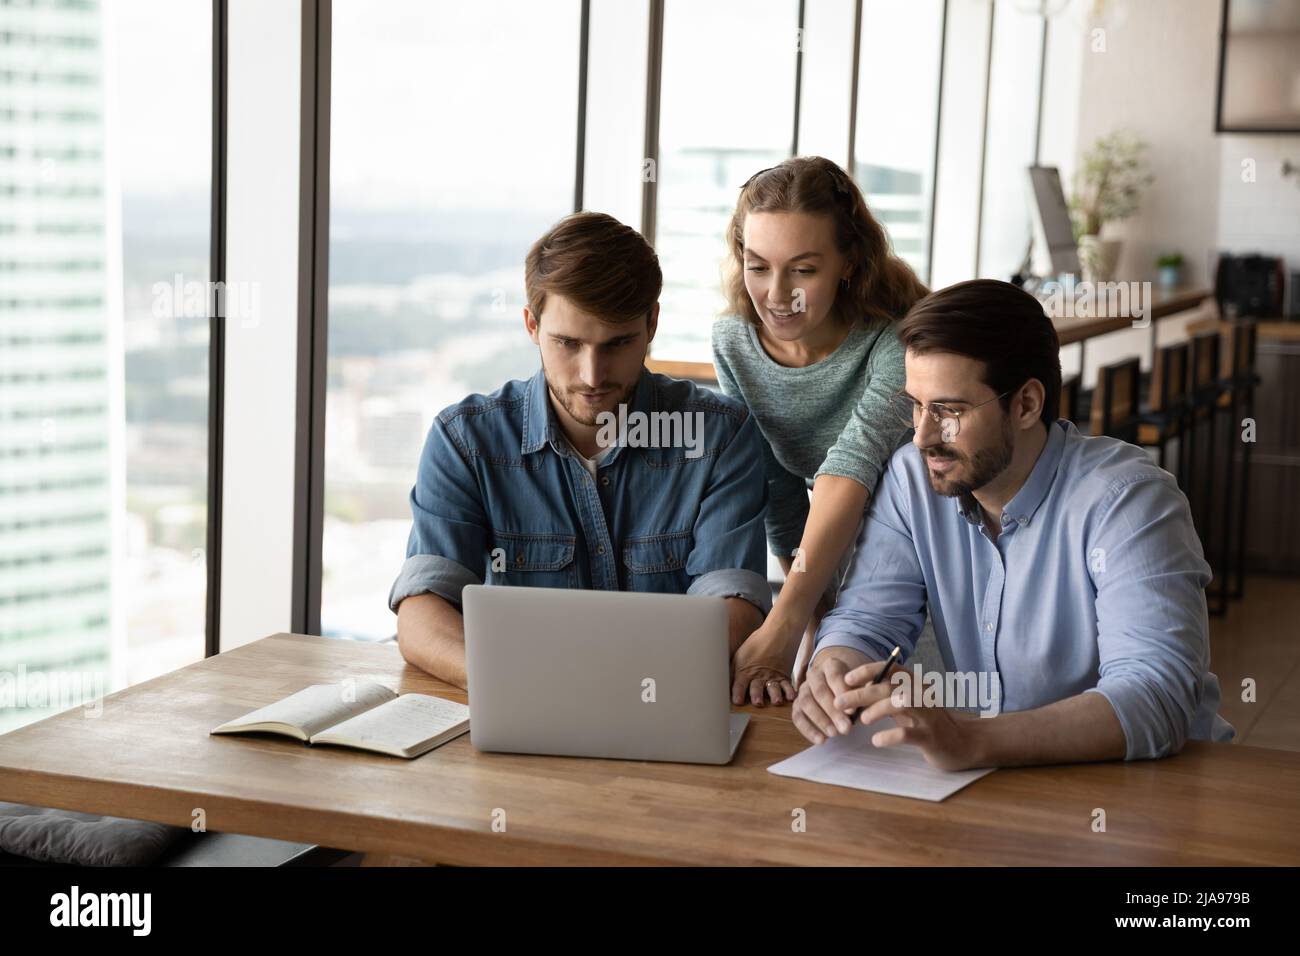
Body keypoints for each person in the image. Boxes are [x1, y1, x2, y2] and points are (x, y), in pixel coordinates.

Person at [794, 278, 1235, 767]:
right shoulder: (913, 481)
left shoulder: (1130, 501)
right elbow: (866, 622)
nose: (922, 437)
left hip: (1160, 786)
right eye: (916, 406)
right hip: (1005, 783)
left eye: (949, 411)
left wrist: (970, 741)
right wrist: (835, 667)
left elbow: (1155, 698)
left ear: (1026, 404)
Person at [389, 211, 771, 688]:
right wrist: (518, 684)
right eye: (568, 343)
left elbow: (733, 601)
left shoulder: (718, 436)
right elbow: (422, 611)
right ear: (531, 325)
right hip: (522, 707)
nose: (593, 375)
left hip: (658, 707)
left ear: (651, 323)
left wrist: (613, 686)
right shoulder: (464, 440)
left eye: (617, 344)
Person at [711, 156, 927, 707]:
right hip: (827, 549)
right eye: (758, 266)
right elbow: (776, 487)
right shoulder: (734, 342)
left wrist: (786, 621)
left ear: (849, 262)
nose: (778, 294)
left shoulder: (894, 341)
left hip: (923, 541)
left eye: (803, 269)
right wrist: (813, 614)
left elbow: (848, 471)